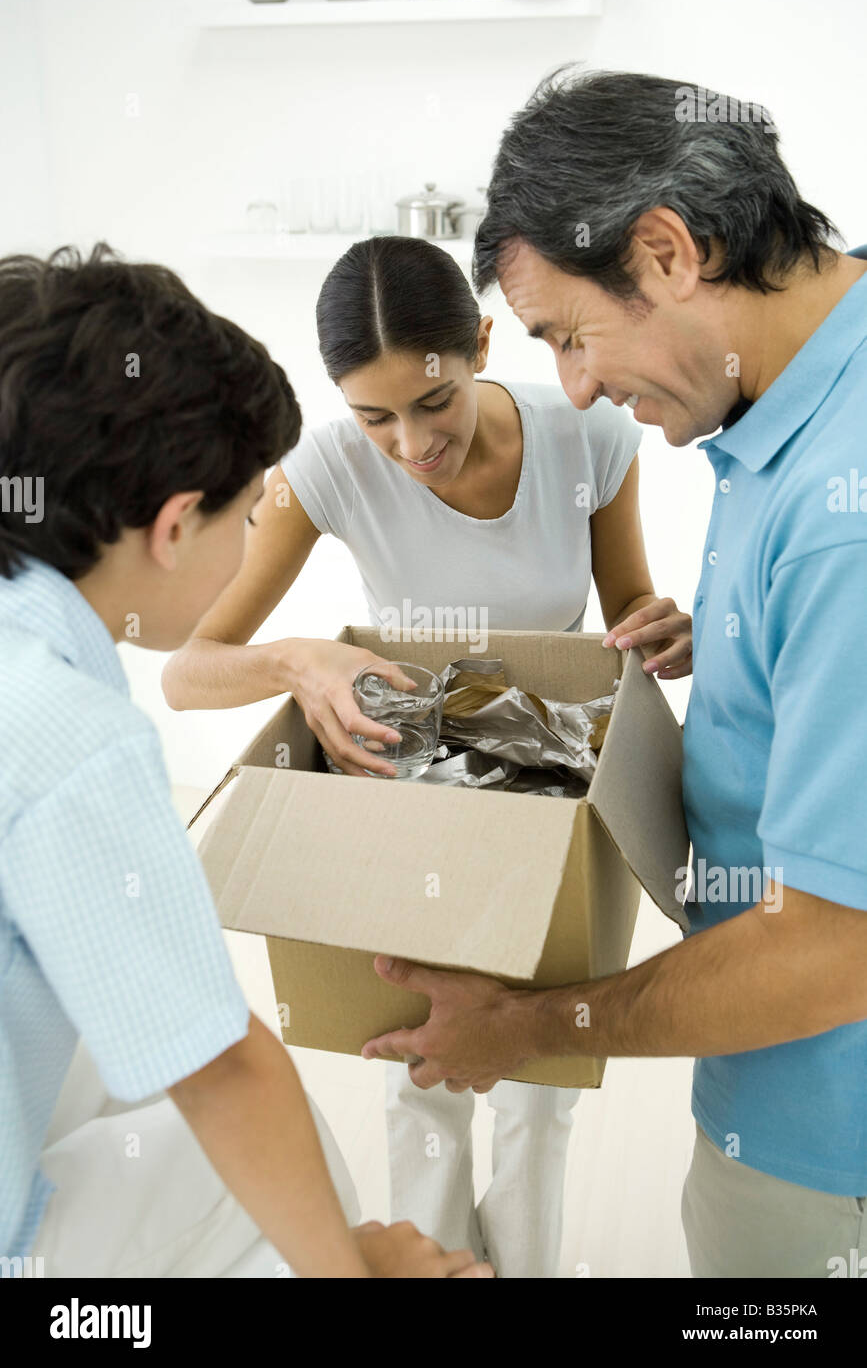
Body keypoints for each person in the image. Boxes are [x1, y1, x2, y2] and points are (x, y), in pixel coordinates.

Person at [361, 68, 867, 1279]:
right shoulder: (792, 413)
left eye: (570, 337)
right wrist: (750, 648)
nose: (577, 388)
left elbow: (831, 948)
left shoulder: (845, 515)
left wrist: (532, 1027)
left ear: (668, 250)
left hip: (823, 1132)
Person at [162, 233, 692, 1277]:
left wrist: (656, 627)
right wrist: (299, 659)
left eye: (434, 402)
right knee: (423, 1084)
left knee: (542, 1092)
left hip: (550, 809)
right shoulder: (326, 466)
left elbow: (626, 607)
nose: (411, 443)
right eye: (375, 416)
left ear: (483, 343)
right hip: (410, 810)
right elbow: (189, 668)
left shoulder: (581, 438)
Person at [0, 243, 491, 1280]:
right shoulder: (68, 732)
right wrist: (357, 1270)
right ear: (177, 525)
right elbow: (220, 1068)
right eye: (253, 508)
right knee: (283, 1145)